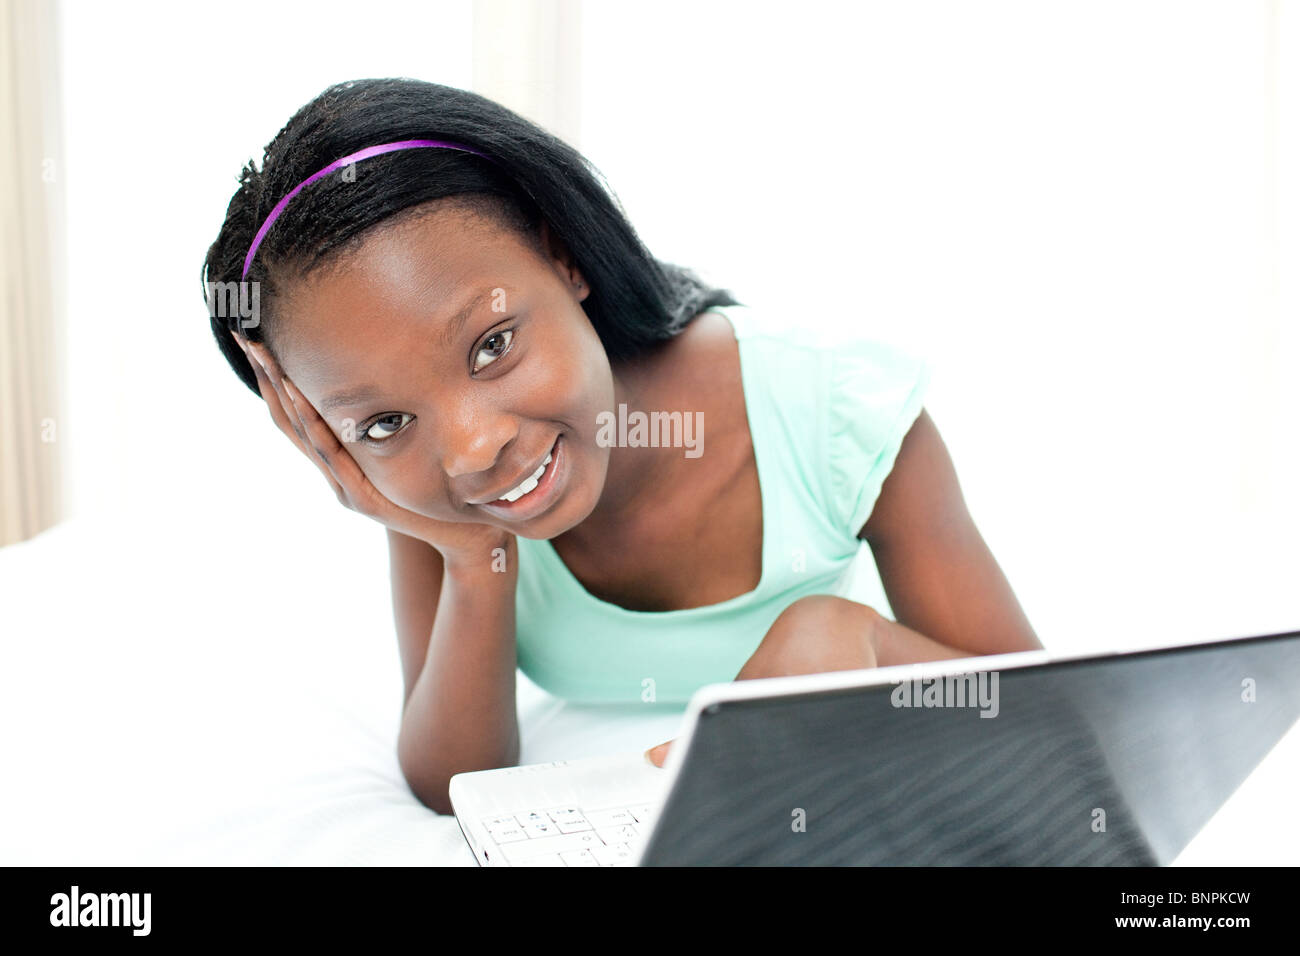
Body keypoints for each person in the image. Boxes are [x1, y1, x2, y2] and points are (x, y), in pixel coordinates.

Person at [202, 78, 1041, 815]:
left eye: (493, 345)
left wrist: (845, 642)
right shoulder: (441, 501)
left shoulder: (834, 412)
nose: (472, 449)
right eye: (382, 423)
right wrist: (471, 558)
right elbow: (453, 781)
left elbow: (1045, 717)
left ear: (562, 256)